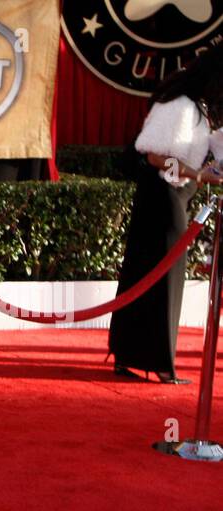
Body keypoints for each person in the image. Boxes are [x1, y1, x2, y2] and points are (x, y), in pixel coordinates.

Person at [108, 45, 223, 385]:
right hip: (163, 198)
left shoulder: (195, 108)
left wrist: (204, 169)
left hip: (171, 197)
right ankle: (156, 361)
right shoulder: (181, 105)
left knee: (150, 276)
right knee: (162, 279)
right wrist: (199, 175)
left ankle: (136, 355)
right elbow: (157, 156)